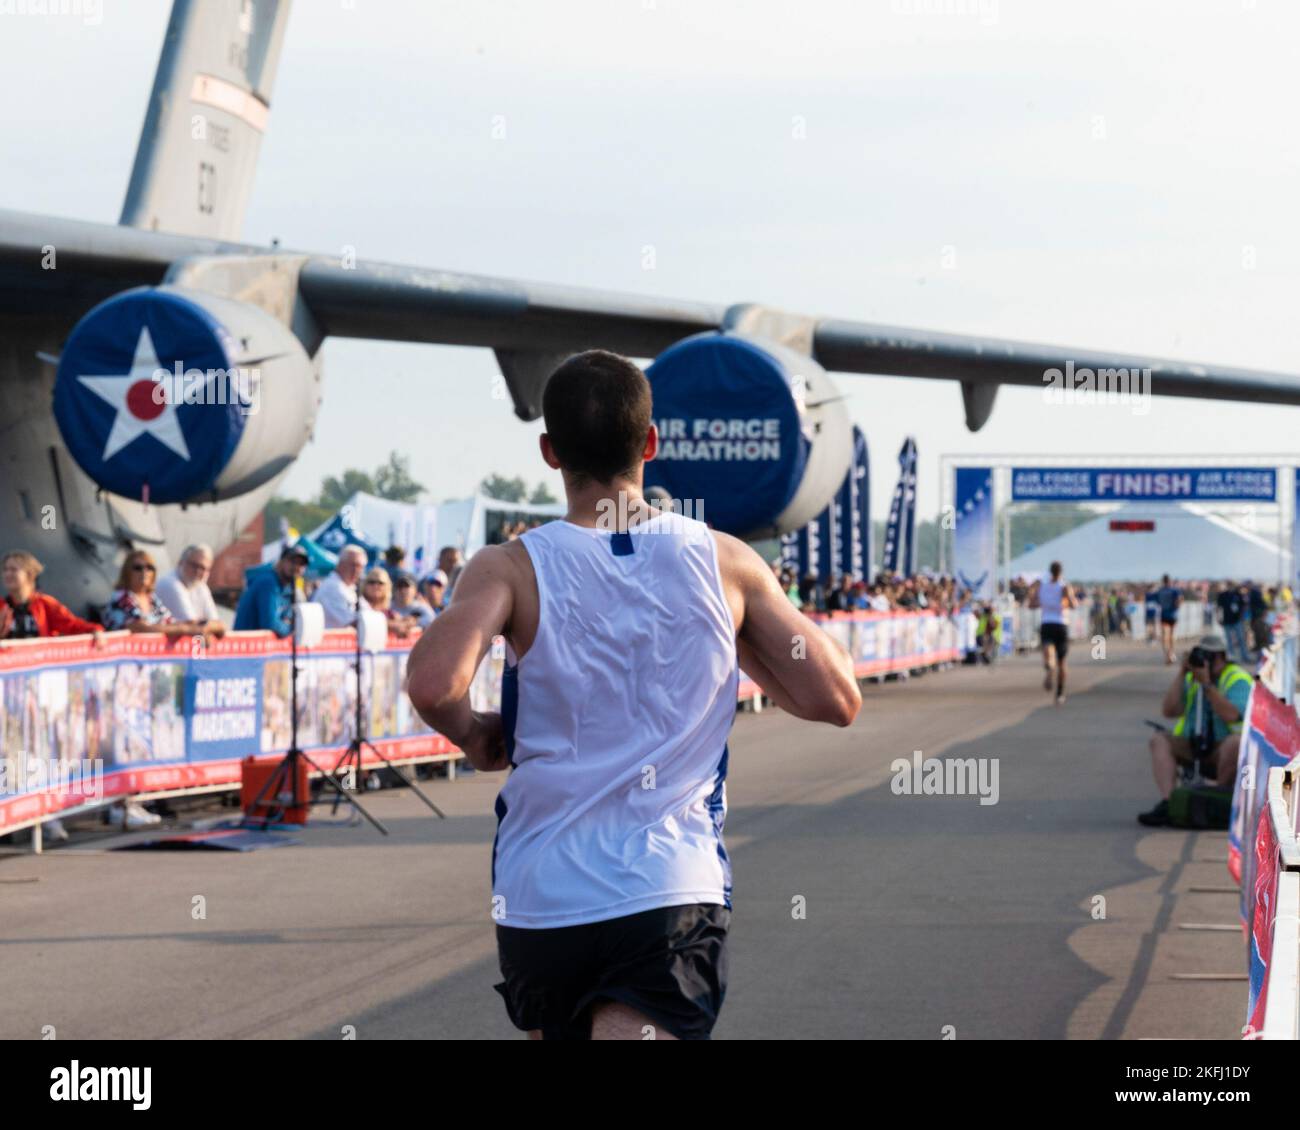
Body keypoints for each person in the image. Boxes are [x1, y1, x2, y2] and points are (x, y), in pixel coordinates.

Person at [406, 349, 860, 1041]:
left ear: (550, 451)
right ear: (650, 443)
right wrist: (731, 635)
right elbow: (837, 697)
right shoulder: (725, 561)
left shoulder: (510, 566)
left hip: (541, 894)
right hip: (666, 887)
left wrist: (473, 734)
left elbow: (436, 685)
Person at [1138, 635, 1253, 826]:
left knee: (1236, 742)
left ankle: (1216, 798)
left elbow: (1231, 715)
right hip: (1193, 743)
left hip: (1222, 746)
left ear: (1223, 657)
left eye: (1212, 656)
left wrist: (1207, 685)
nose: (1206, 661)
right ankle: (1169, 803)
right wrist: (1182, 673)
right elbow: (1169, 710)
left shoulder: (1236, 678)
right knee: (1159, 740)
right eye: (1203, 656)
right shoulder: (1192, 677)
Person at [101, 550, 223, 639]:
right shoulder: (122, 597)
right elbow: (140, 628)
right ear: (127, 572)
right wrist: (188, 630)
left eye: (149, 567)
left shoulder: (151, 599)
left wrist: (211, 627)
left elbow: (172, 623)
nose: (145, 572)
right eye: (138, 568)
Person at [0, 550, 103, 642]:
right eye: (5, 569)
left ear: (30, 574)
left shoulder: (45, 604)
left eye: (13, 570)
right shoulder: (2, 605)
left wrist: (95, 630)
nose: (7, 574)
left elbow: (72, 625)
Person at [234, 543, 308, 636]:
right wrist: (291, 629)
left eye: (301, 564)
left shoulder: (289, 587)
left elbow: (288, 619)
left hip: (262, 646)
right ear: (281, 561)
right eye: (292, 561)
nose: (296, 567)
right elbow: (269, 623)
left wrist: (286, 625)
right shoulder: (268, 582)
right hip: (246, 646)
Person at [1028, 560, 1074, 705]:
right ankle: (1060, 693)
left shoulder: (1042, 586)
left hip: (1047, 623)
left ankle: (1049, 669)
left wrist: (1043, 603)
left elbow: (1031, 605)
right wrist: (1064, 602)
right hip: (1061, 624)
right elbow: (1073, 604)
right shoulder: (1065, 586)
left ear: (1050, 572)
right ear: (1061, 572)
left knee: (1048, 651)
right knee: (1062, 662)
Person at [155, 544, 221, 624]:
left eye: (203, 568)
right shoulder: (170, 583)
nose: (198, 571)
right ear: (180, 562)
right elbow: (192, 624)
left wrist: (210, 626)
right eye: (194, 565)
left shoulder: (201, 586)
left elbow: (216, 622)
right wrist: (211, 626)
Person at [316, 545, 369, 628]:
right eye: (353, 565)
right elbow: (354, 622)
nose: (356, 570)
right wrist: (391, 625)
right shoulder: (332, 587)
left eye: (360, 567)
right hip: (329, 640)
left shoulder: (350, 587)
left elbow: (368, 614)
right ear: (341, 564)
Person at [1216, 580, 1249, 664]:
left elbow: (1244, 606)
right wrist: (1218, 618)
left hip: (1237, 620)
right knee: (1229, 640)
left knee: (1241, 639)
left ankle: (1244, 656)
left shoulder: (1238, 594)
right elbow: (1218, 607)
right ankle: (1231, 657)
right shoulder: (1223, 595)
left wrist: (1242, 617)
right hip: (1227, 620)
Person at [1153, 573, 1181, 664]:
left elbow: (1157, 602)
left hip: (1164, 615)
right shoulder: (1174, 590)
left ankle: (1167, 655)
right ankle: (1171, 653)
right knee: (1172, 636)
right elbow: (1179, 600)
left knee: (1165, 636)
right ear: (1169, 581)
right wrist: (1176, 607)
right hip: (1173, 615)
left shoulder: (1160, 591)